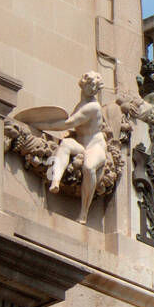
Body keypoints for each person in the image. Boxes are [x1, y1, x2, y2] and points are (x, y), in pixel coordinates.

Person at [43, 72, 108, 224]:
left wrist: (40, 125)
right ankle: (56, 181)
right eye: (89, 85)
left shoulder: (93, 107)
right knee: (65, 144)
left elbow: (68, 123)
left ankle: (84, 213)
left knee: (88, 167)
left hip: (95, 145)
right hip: (81, 143)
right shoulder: (81, 105)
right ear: (83, 85)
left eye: (95, 87)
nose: (92, 89)